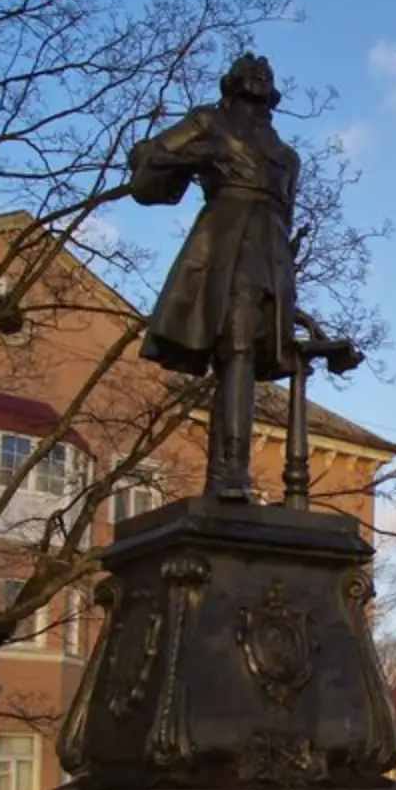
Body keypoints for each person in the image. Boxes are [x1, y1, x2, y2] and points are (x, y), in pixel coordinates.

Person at [128, 53, 301, 502]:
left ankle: (232, 473)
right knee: (236, 349)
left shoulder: (287, 155)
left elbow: (286, 212)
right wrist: (198, 155)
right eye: (251, 73)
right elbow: (149, 165)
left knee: (244, 353)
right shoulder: (208, 121)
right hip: (224, 241)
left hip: (272, 251)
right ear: (234, 83)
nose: (260, 77)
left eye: (266, 74)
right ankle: (230, 473)